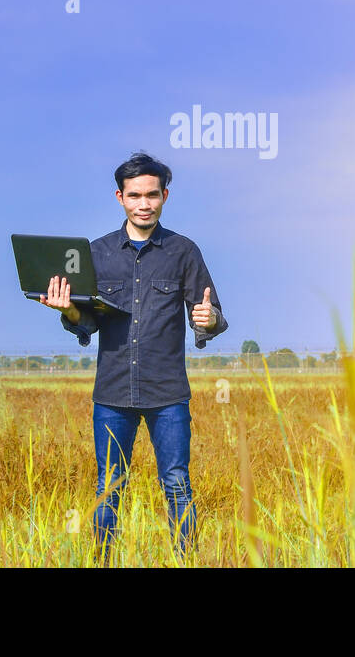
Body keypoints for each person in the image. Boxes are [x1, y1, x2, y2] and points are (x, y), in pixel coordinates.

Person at [39, 151, 228, 563]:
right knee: (109, 486)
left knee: (177, 483)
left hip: (168, 393)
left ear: (165, 196)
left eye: (152, 195)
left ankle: (185, 559)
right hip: (111, 394)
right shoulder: (96, 253)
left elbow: (212, 316)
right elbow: (84, 320)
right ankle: (103, 560)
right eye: (135, 195)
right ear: (120, 197)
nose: (144, 203)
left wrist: (208, 319)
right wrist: (67, 309)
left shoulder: (184, 252)